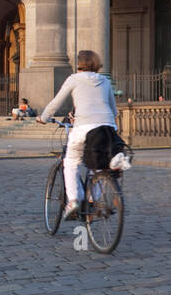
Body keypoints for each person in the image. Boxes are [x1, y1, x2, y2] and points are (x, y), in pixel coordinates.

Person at [39, 50, 120, 220]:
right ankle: (93, 200)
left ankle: (75, 200)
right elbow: (113, 110)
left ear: (79, 64)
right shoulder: (104, 80)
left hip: (83, 126)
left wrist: (44, 117)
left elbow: (56, 102)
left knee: (71, 162)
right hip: (106, 127)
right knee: (97, 164)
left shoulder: (74, 79)